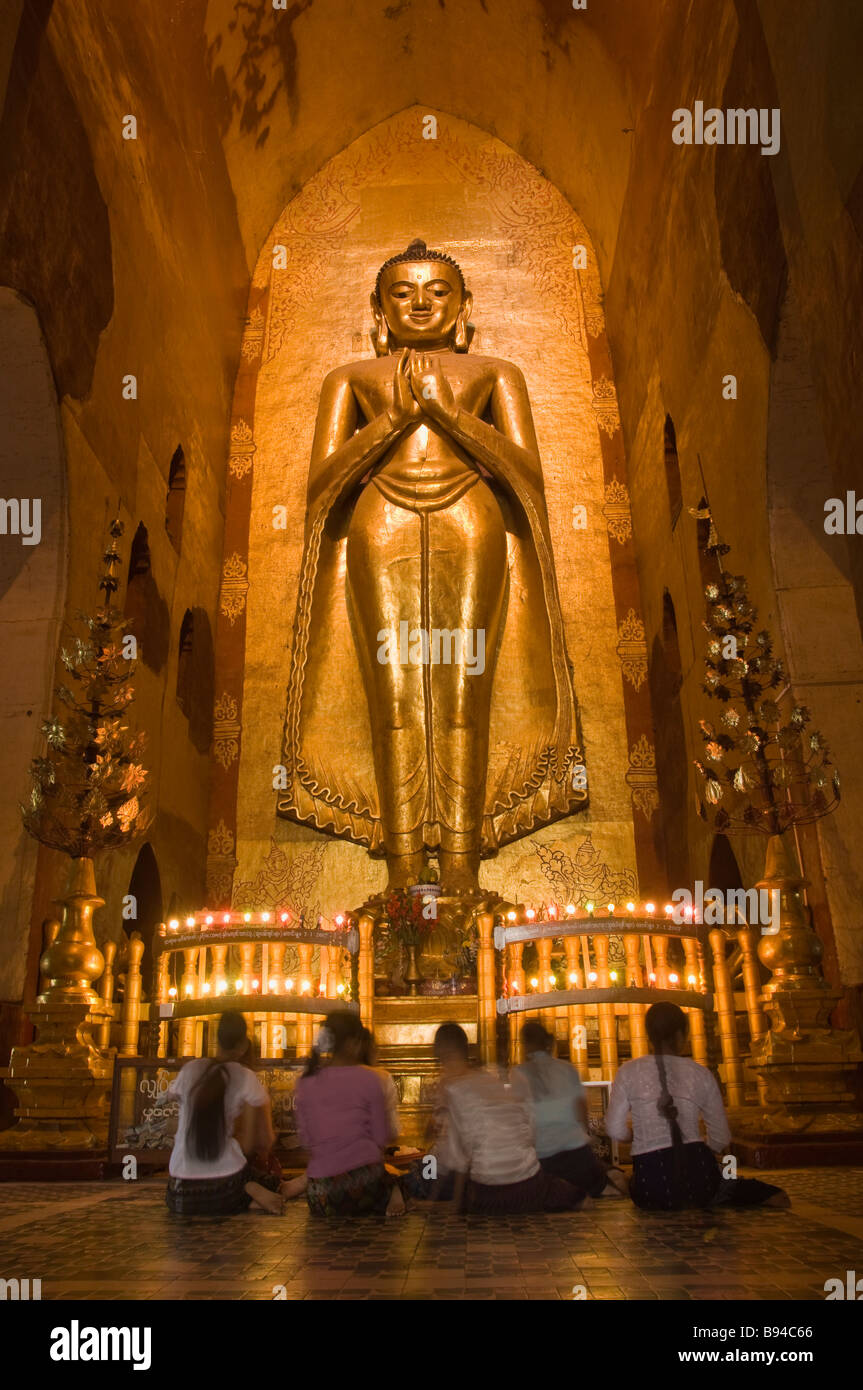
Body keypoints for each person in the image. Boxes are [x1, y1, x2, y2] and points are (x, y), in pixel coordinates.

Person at [605, 1002, 790, 1211]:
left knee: (625, 1179)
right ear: (682, 1033)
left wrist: (635, 1136)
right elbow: (721, 1137)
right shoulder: (700, 1073)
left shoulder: (628, 1071)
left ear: (648, 1035)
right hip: (700, 1180)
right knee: (738, 1185)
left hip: (650, 1188)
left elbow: (614, 1129)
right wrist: (704, 1152)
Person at [416, 1022, 587, 1213]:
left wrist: (451, 1201)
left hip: (489, 1192)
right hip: (530, 1184)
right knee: (570, 1194)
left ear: (439, 1052)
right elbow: (527, 1130)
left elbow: (454, 1154)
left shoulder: (451, 1088)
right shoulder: (489, 1079)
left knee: (424, 1171)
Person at [165, 1012, 284, 1216]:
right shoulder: (245, 1077)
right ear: (243, 1045)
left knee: (237, 1177)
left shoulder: (190, 1070)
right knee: (272, 1182)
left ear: (216, 1039)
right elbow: (261, 1141)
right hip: (224, 1189)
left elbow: (172, 1119)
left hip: (179, 1194)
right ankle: (253, 1191)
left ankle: (252, 1196)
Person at [294, 1009, 406, 1217]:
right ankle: (394, 1190)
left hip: (320, 1195)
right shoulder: (370, 1079)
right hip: (365, 1189)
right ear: (354, 1043)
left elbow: (306, 1141)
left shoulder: (305, 1082)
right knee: (425, 1171)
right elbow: (381, 1137)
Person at [512, 1020, 627, 1198]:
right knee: (603, 1185)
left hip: (542, 1158)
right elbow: (581, 1109)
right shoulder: (567, 1069)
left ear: (525, 1045)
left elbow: (519, 1118)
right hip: (578, 1155)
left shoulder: (519, 1073)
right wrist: (586, 1136)